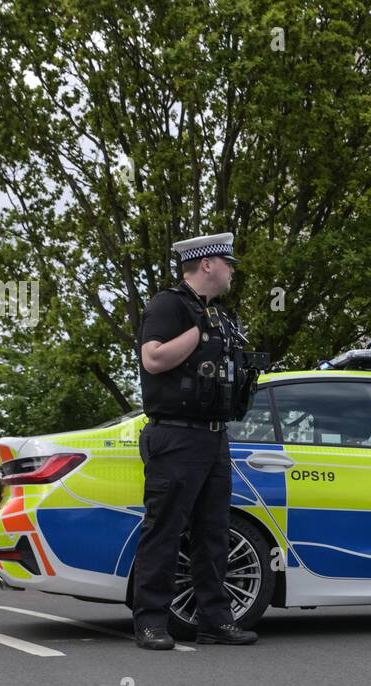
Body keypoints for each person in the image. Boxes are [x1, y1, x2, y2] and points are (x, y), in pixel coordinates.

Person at [131, 233, 259, 650]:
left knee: (213, 533)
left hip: (212, 436)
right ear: (207, 264)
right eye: (228, 262)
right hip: (176, 435)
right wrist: (199, 333)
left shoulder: (217, 314)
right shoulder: (169, 305)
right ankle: (150, 622)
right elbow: (153, 358)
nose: (233, 270)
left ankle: (214, 620)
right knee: (165, 531)